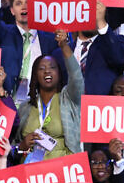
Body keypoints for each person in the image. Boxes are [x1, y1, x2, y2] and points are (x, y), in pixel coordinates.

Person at [14, 30, 83, 160]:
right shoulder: (25, 107)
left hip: (62, 170)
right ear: (35, 75)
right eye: (41, 68)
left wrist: (63, 45)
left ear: (59, 73)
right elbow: (13, 147)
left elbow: (76, 76)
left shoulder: (68, 99)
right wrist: (21, 146)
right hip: (31, 172)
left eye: (52, 67)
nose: (47, 71)